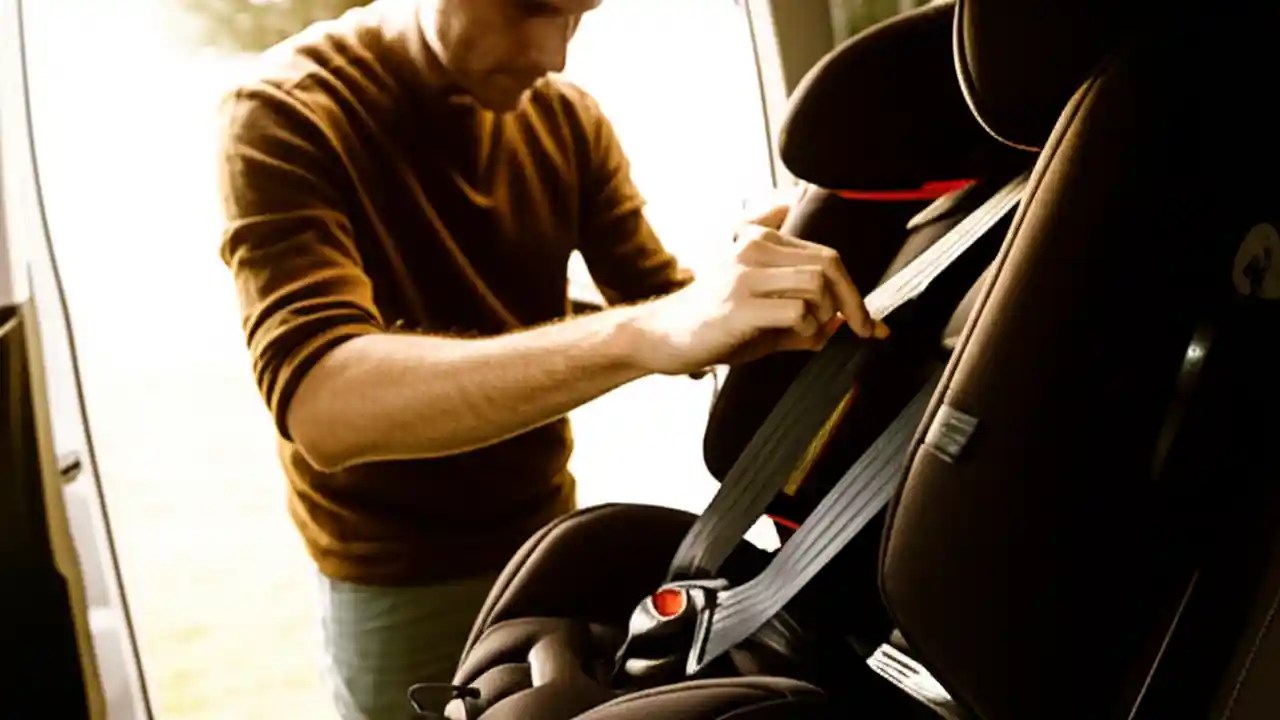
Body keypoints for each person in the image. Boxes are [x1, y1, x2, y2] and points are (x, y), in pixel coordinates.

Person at [215, 0, 890, 717]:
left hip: (545, 539)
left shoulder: (566, 117)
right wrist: (649, 332)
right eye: (531, 8)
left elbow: (660, 301)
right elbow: (324, 407)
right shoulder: (284, 111)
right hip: (393, 576)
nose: (554, 53)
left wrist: (746, 277)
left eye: (576, 15)